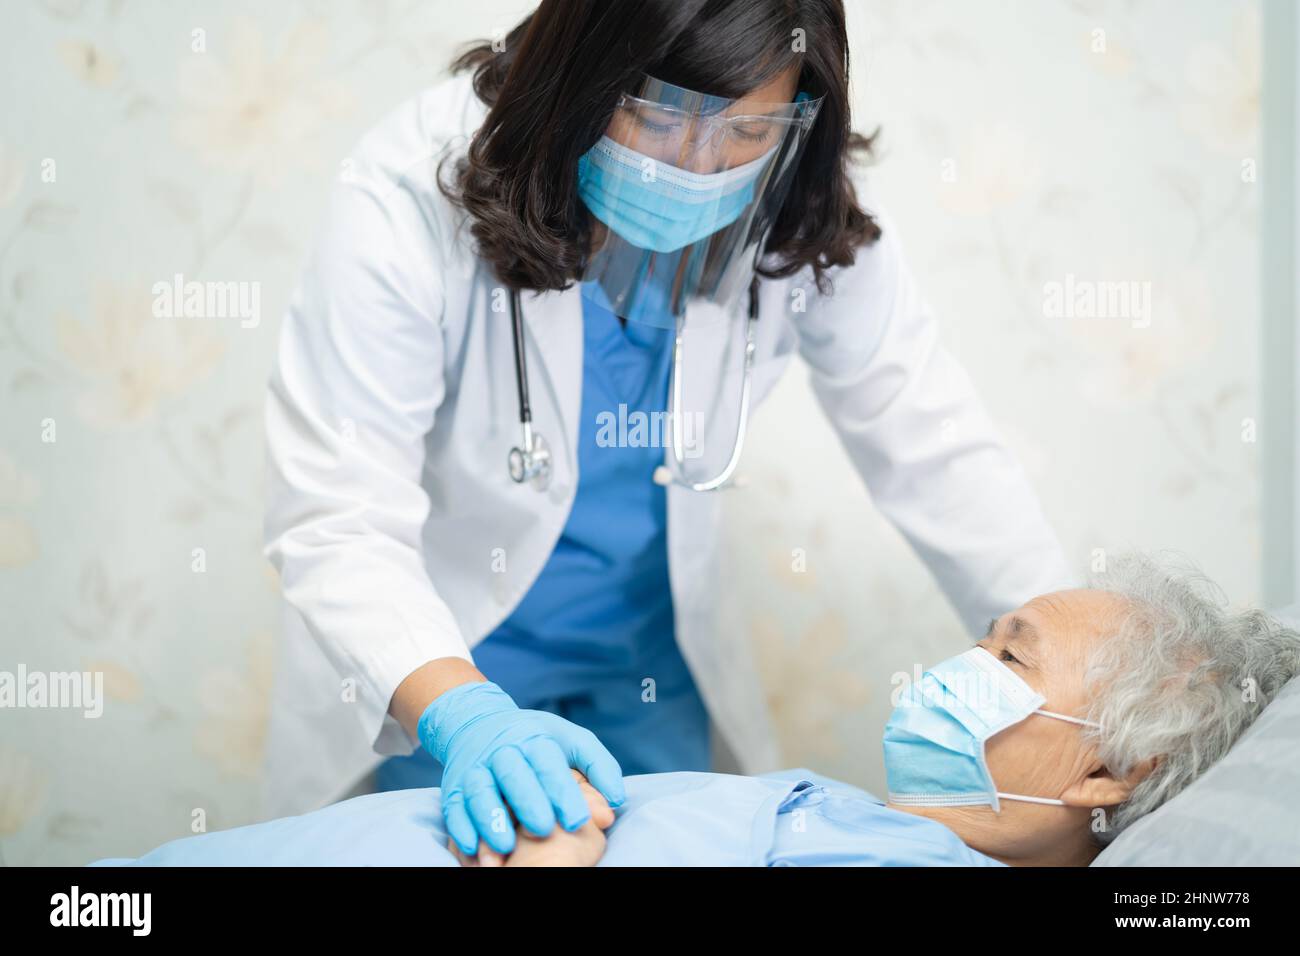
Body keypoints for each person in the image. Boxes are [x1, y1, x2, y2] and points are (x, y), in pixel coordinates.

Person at [262, 0, 1072, 858]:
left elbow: (934, 449)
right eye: (654, 116)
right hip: (438, 668)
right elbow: (338, 511)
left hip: (647, 677)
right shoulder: (407, 193)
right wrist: (464, 715)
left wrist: (1092, 677)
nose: (697, 165)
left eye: (748, 131)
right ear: (581, 78)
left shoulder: (796, 209)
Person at [110, 557, 1300, 867]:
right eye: (982, 635)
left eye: (1009, 656)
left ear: (1108, 777)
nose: (959, 663)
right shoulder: (872, 827)